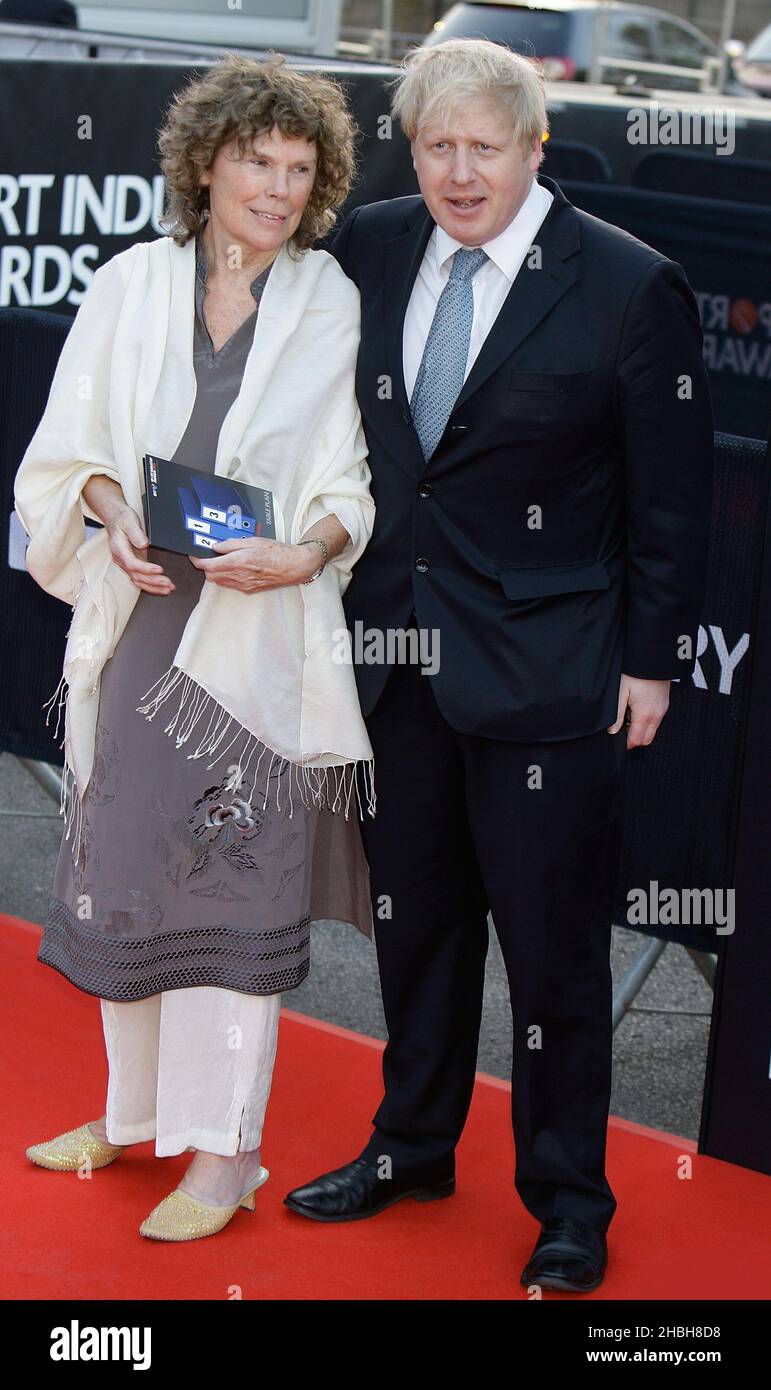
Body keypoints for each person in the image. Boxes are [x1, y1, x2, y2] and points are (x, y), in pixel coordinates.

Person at [283, 38, 714, 1292]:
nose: (459, 173)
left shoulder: (632, 286)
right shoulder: (368, 243)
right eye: (436, 146)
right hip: (396, 661)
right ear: (409, 150)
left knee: (551, 952)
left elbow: (672, 502)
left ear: (536, 147)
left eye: (485, 146)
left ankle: (570, 1200)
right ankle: (411, 1144)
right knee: (411, 930)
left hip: (552, 672)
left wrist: (651, 663)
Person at [15, 53, 375, 1243]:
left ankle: (225, 1158)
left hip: (252, 644)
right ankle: (130, 1116)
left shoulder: (326, 297)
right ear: (205, 164)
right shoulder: (127, 283)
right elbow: (71, 446)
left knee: (230, 892)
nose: (276, 188)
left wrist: (309, 551)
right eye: (255, 161)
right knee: (128, 887)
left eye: (298, 168)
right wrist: (111, 513)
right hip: (137, 626)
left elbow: (344, 476)